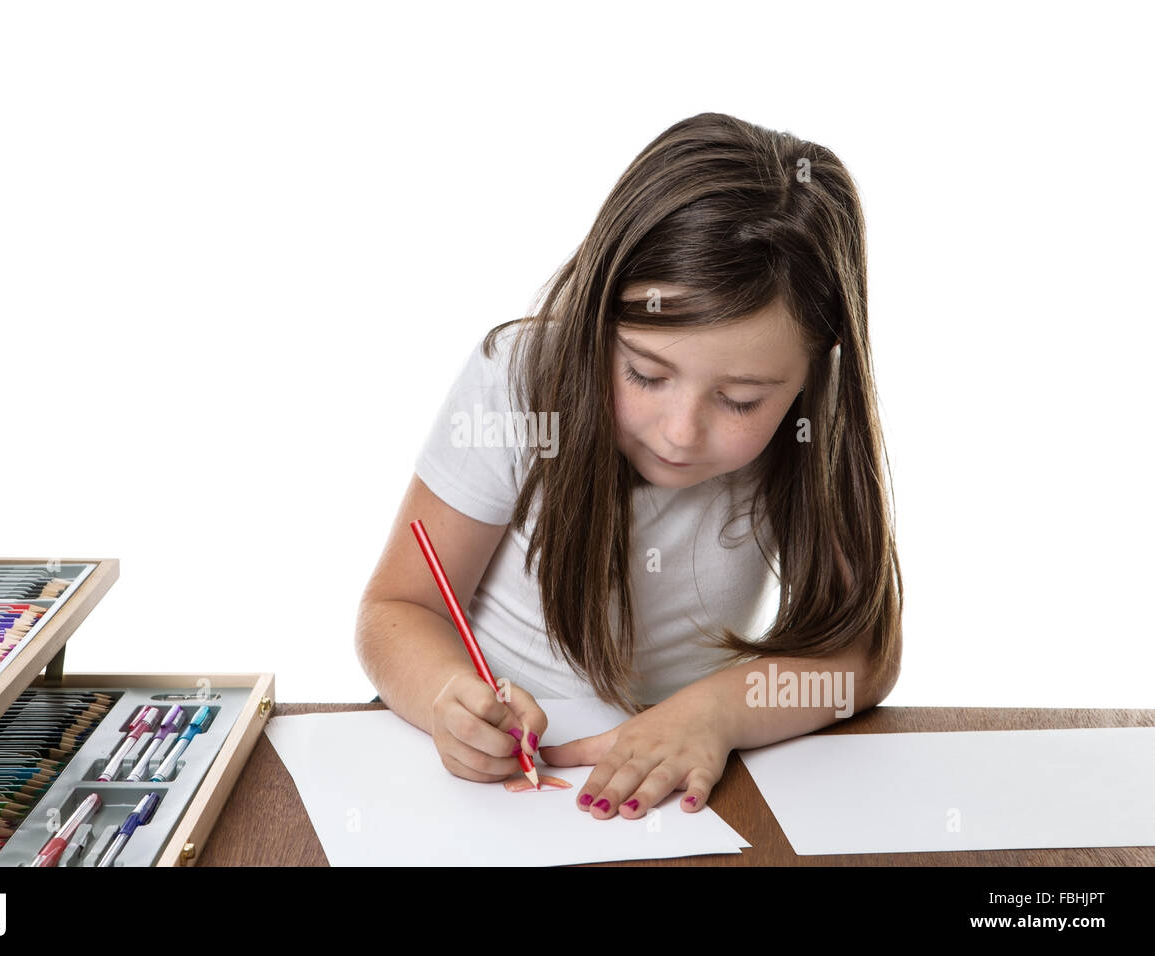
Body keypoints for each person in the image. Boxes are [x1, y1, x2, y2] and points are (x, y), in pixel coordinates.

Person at [356, 111, 902, 820]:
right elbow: (396, 609)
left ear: (813, 369)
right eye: (645, 374)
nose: (680, 432)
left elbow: (862, 659)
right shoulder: (519, 383)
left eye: (740, 400)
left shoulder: (807, 427)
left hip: (674, 785)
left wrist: (716, 712)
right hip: (493, 788)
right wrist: (444, 698)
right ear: (595, 319)